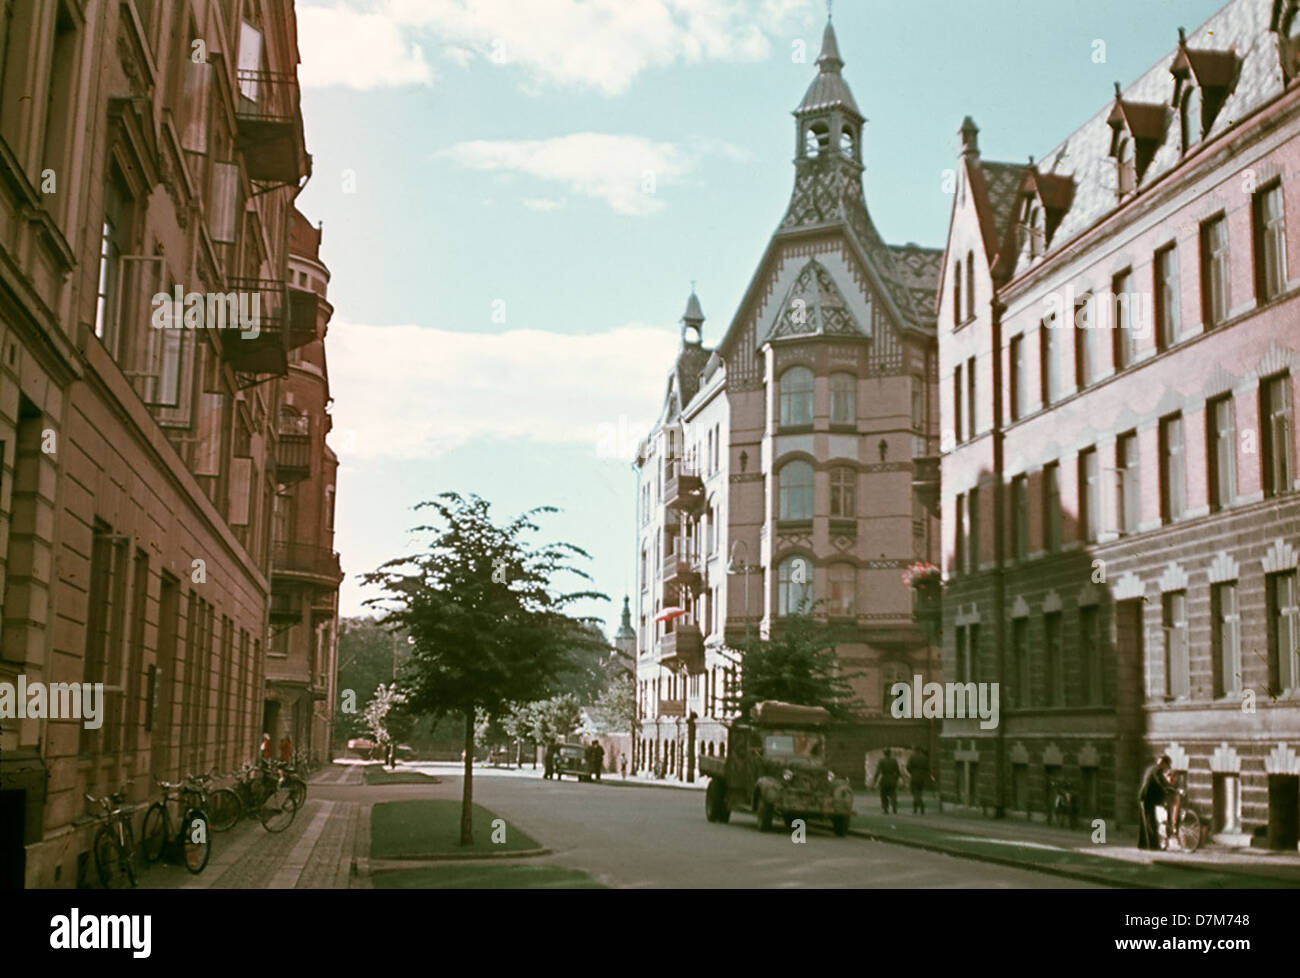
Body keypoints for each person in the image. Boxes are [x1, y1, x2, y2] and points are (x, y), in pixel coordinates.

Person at [1138, 754, 1174, 850]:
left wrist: (1167, 787)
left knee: (1145, 821)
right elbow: (1160, 782)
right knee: (1150, 821)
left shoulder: (1153, 768)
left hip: (1146, 797)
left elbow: (1161, 782)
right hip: (1147, 797)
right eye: (1167, 765)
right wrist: (1167, 789)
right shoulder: (1157, 770)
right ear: (1164, 763)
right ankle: (1153, 846)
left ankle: (1143, 845)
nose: (1167, 768)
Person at [873, 748, 901, 814]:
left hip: (884, 779)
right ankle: (894, 807)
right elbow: (898, 772)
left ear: (884, 753)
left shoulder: (881, 761)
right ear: (890, 753)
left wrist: (875, 779)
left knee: (883, 794)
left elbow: (878, 771)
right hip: (892, 778)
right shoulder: (894, 761)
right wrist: (896, 779)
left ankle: (885, 809)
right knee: (893, 793)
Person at [906, 747, 931, 814]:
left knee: (914, 792)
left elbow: (908, 767)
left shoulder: (912, 757)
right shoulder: (925, 758)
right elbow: (927, 768)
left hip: (914, 776)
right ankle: (915, 808)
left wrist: (912, 772)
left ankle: (921, 805)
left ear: (915, 750)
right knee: (919, 792)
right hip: (922, 777)